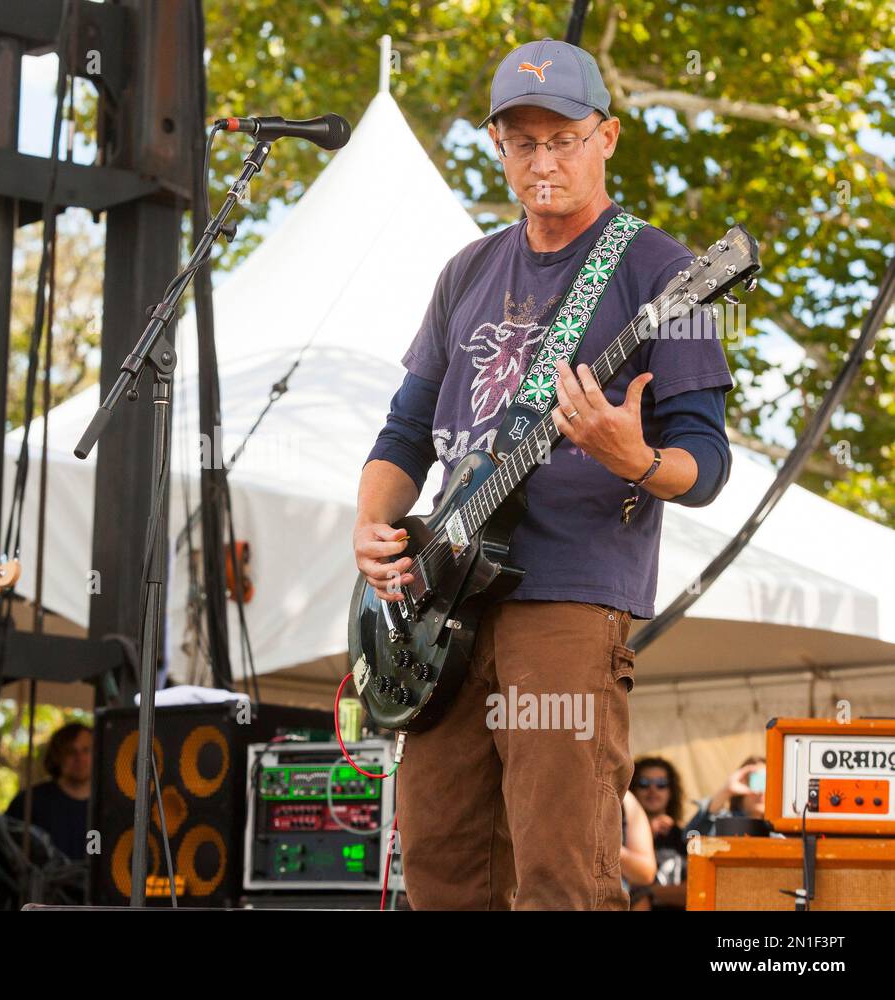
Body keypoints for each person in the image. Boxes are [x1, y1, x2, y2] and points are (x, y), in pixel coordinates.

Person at [355, 39, 734, 909]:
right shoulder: (467, 271)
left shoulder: (665, 273)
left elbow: (705, 462)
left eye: (562, 137)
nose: (543, 159)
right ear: (497, 147)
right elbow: (406, 430)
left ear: (606, 137)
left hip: (565, 604)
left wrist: (631, 458)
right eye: (522, 141)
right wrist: (371, 527)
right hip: (438, 608)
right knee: (444, 868)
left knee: (562, 870)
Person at [5, 723, 93, 861]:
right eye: (71, 751)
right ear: (57, 757)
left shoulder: (107, 808)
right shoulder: (29, 802)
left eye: (86, 750)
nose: (79, 758)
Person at [630, 756, 688, 909]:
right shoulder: (616, 838)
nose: (653, 790)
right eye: (644, 784)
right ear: (632, 790)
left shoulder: (685, 837)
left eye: (661, 784)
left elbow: (698, 890)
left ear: (671, 791)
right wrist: (644, 831)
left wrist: (650, 892)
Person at [684, 755, 767, 837]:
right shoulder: (726, 824)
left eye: (766, 782)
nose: (760, 791)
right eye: (755, 781)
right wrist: (726, 791)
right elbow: (691, 836)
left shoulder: (777, 830)